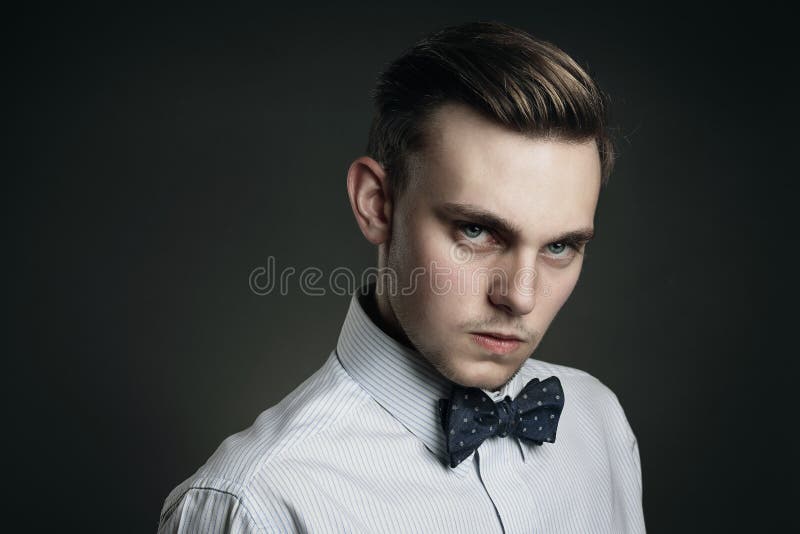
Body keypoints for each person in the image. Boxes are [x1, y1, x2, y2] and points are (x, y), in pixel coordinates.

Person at [157, 21, 645, 533]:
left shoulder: (599, 423)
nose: (520, 297)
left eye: (560, 246)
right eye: (476, 230)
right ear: (377, 204)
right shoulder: (257, 505)